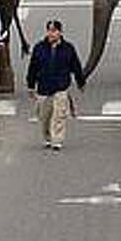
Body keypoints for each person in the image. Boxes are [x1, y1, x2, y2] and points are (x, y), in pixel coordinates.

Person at [26, 19, 86, 150]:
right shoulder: (39, 48)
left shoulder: (68, 48)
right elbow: (33, 68)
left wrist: (81, 82)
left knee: (59, 116)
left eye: (54, 31)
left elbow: (76, 66)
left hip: (60, 87)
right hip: (43, 87)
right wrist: (30, 85)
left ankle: (57, 140)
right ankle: (47, 137)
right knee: (44, 117)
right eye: (49, 31)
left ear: (60, 32)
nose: (51, 34)